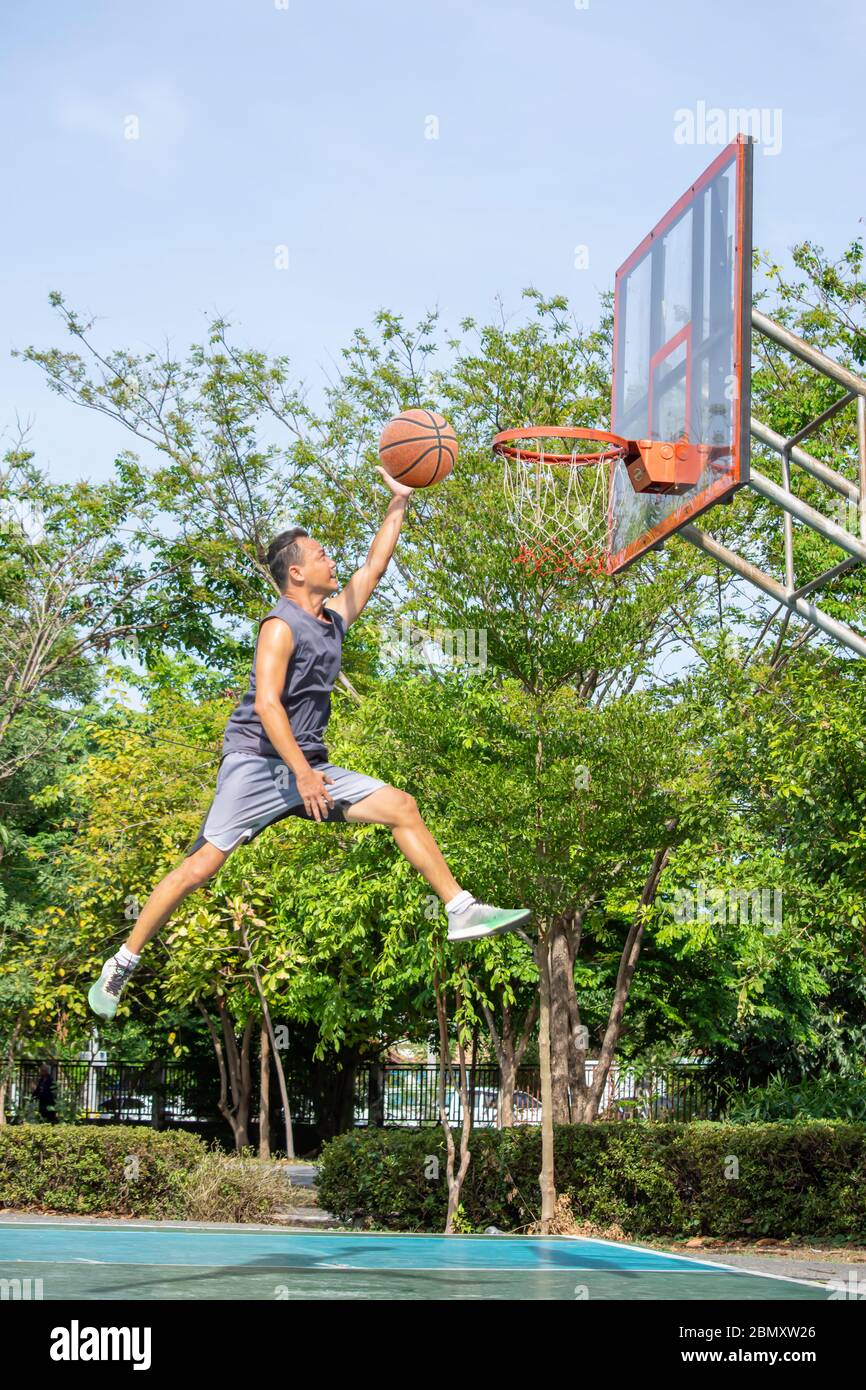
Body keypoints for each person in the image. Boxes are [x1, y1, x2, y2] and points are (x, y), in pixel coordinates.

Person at [89, 469, 530, 1020]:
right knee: (200, 868)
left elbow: (375, 566)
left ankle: (460, 909)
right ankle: (125, 960)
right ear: (296, 572)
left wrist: (399, 502)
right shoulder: (280, 626)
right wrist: (300, 773)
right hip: (257, 763)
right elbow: (270, 706)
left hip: (308, 766)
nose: (330, 560)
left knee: (402, 807)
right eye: (320, 555)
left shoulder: (332, 620)